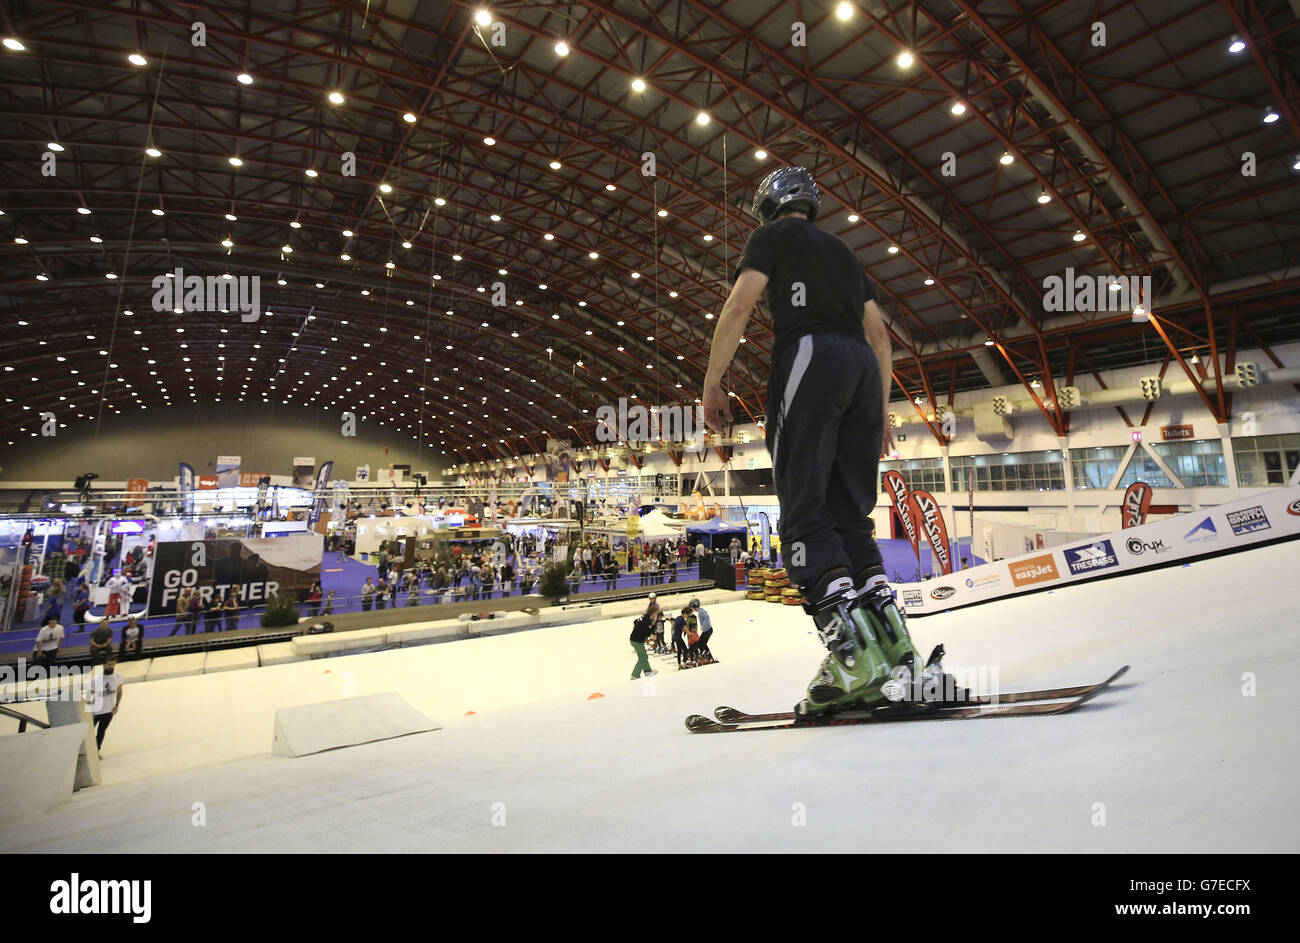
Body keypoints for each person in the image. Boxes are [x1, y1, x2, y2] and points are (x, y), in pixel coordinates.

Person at [702, 165, 946, 719]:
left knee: (804, 515)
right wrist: (879, 411)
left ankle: (852, 664)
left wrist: (713, 382)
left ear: (769, 206)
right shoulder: (844, 253)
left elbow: (739, 307)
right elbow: (881, 338)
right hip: (862, 370)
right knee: (850, 520)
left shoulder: (773, 237)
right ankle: (896, 654)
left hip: (810, 356)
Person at [85, 658, 125, 757]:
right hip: (95, 712)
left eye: (112, 665)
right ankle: (86, 751)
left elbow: (119, 691)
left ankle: (96, 751)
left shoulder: (118, 677)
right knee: (88, 733)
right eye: (109, 664)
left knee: (101, 732)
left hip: (108, 711)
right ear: (104, 665)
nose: (111, 666)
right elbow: (89, 697)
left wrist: (116, 705)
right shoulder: (96, 680)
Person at [629, 604, 658, 680]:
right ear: (653, 613)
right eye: (656, 613)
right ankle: (635, 674)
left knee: (642, 656)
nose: (657, 615)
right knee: (643, 657)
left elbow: (637, 624)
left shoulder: (645, 617)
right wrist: (654, 637)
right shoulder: (646, 620)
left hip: (635, 639)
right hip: (637, 641)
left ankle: (647, 671)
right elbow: (648, 633)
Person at [690, 598, 716, 663]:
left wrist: (702, 625)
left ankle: (707, 657)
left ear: (695, 606)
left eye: (693, 607)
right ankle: (709, 657)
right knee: (702, 644)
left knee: (701, 644)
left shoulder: (700, 612)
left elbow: (707, 616)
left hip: (707, 630)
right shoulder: (701, 610)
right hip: (707, 630)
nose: (693, 609)